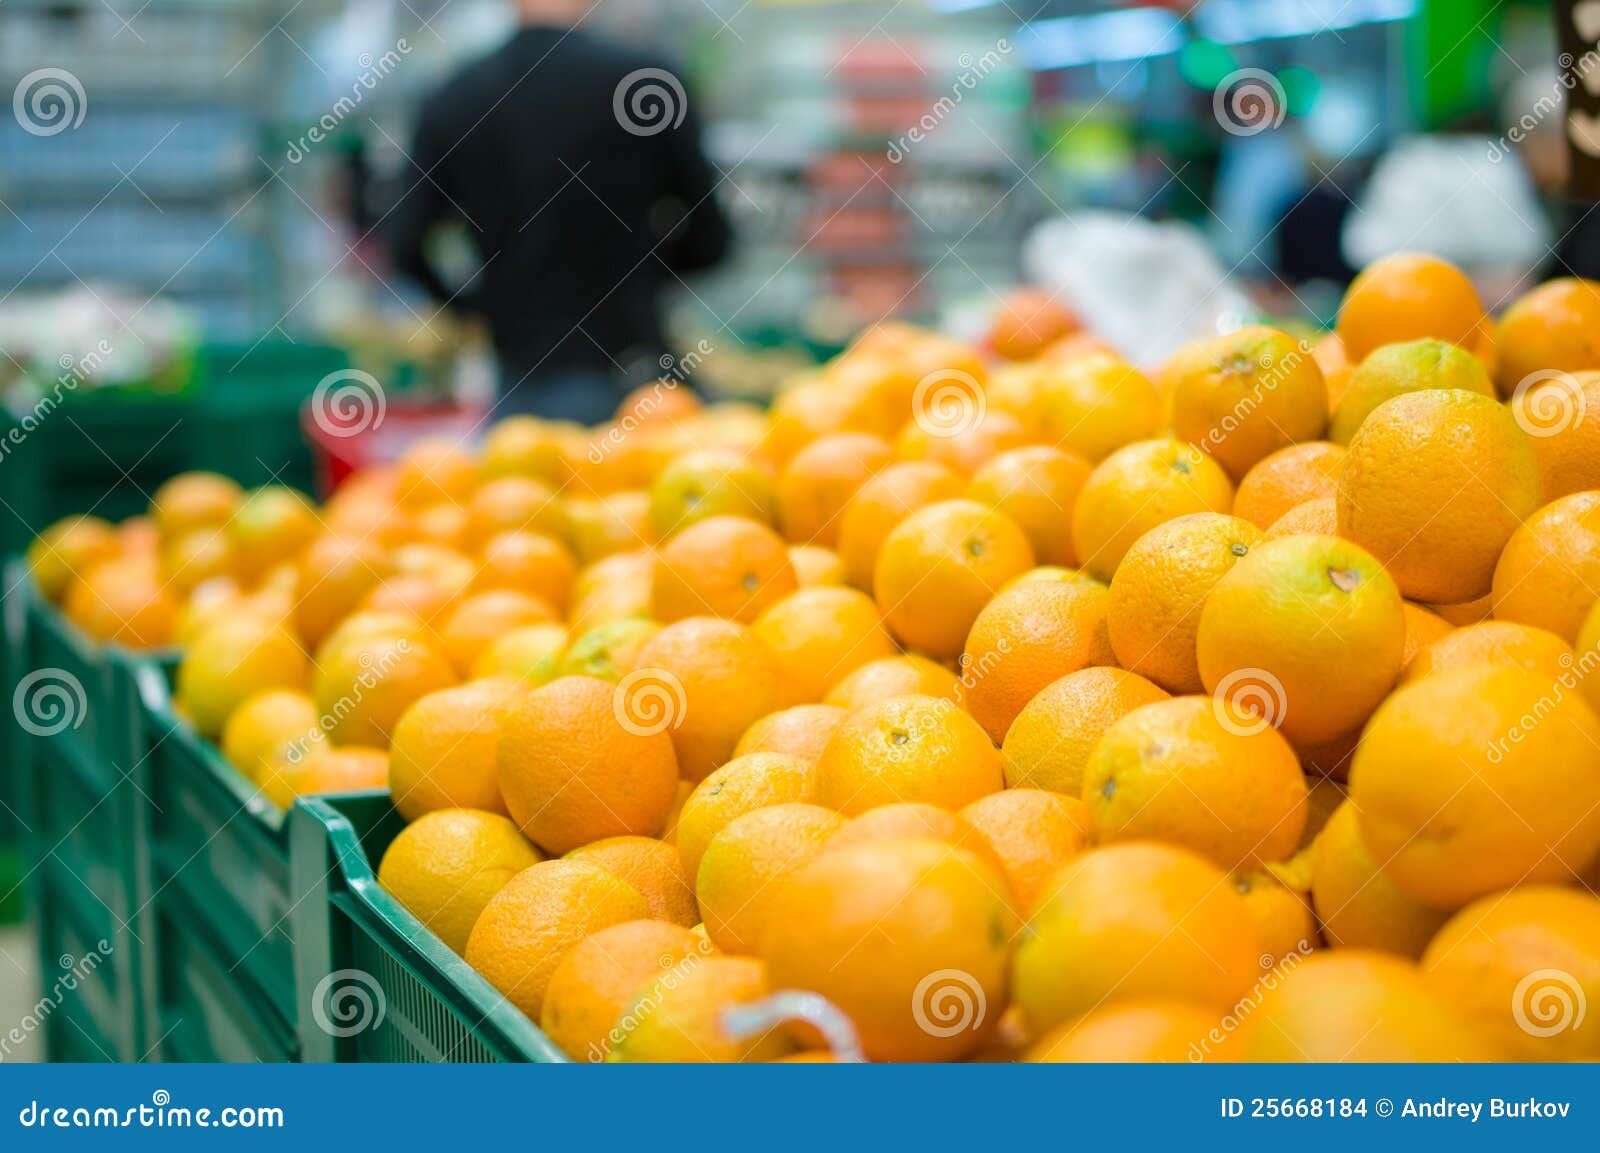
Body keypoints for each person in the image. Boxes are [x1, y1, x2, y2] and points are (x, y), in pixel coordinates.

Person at [389, 0, 731, 423]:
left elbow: (404, 244)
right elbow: (713, 241)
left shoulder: (453, 94)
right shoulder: (648, 80)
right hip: (637, 382)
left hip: (518, 387)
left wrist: (482, 306)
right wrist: (640, 278)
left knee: (524, 486)